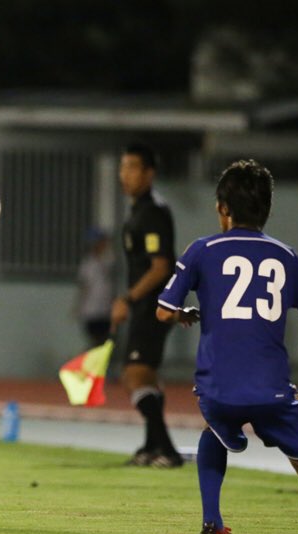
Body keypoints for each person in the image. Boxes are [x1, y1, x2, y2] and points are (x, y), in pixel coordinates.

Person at [157, 159, 298, 534]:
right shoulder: (287, 257)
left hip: (218, 389)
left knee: (214, 429)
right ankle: (215, 524)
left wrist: (184, 314)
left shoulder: (201, 250)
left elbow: (162, 311)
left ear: (223, 208)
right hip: (271, 391)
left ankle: (212, 523)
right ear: (267, 209)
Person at [110, 143, 182, 467]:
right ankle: (153, 445)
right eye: (123, 167)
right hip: (148, 305)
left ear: (149, 173)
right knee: (145, 376)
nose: (124, 174)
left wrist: (128, 298)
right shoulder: (140, 210)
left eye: (132, 167)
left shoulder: (153, 211)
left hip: (156, 305)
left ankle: (165, 448)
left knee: (134, 374)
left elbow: (161, 266)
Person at [74, 228, 114, 347]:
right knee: (95, 340)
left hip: (106, 309)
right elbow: (84, 287)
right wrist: (78, 306)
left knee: (104, 341)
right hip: (91, 310)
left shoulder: (108, 260)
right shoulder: (87, 263)